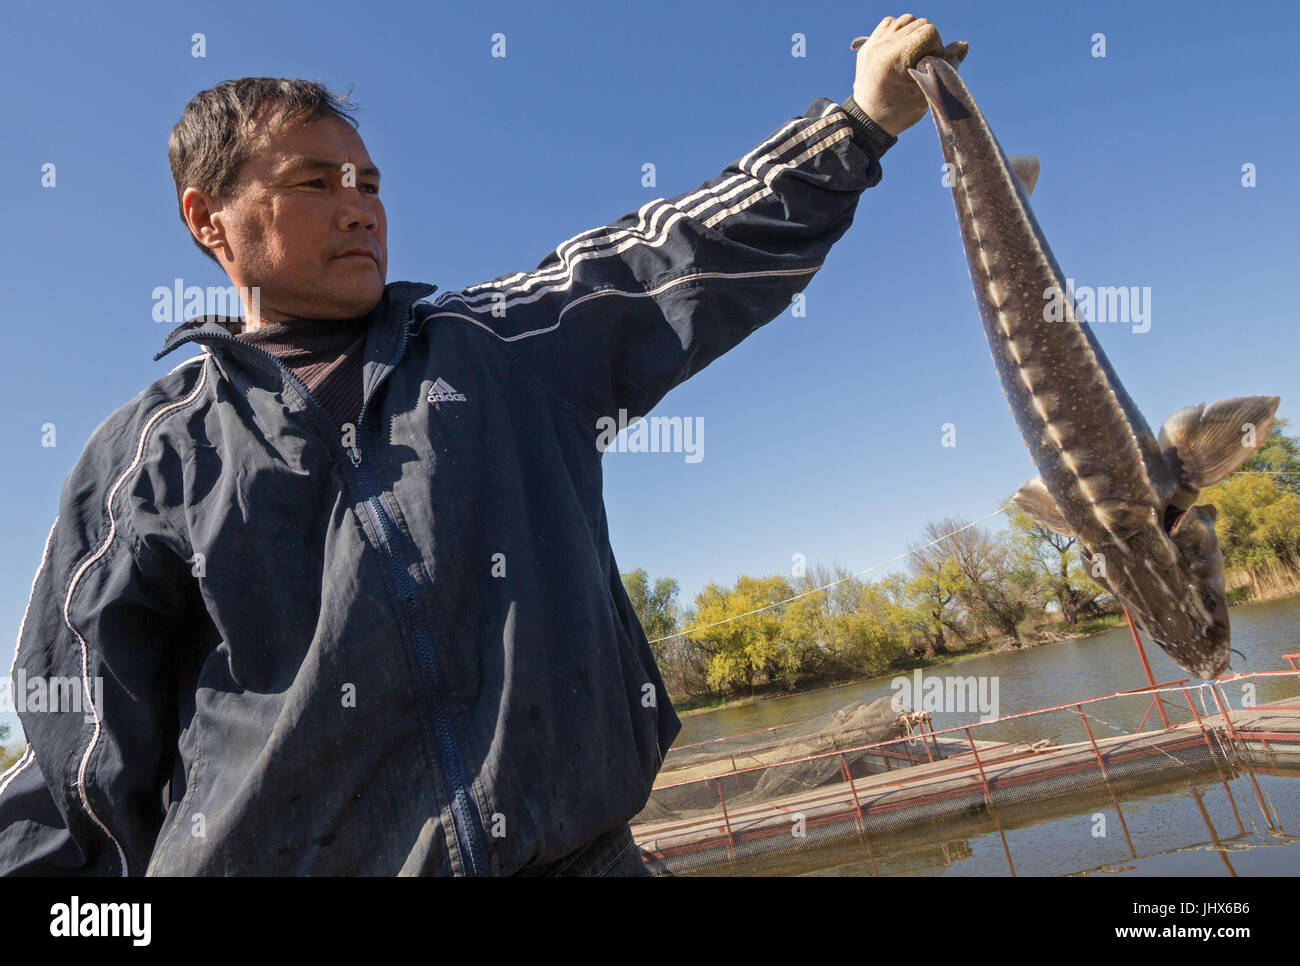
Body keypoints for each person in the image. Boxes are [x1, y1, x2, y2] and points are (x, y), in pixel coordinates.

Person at [0, 14, 965, 876]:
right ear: (207, 218)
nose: (359, 206)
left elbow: (675, 255)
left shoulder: (504, 346)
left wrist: (857, 126)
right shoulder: (145, 462)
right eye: (313, 182)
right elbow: (76, 762)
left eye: (368, 183)